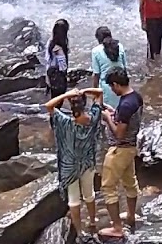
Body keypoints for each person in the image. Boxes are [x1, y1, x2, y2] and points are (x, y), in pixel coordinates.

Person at [45, 87, 105, 239]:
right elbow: (99, 93)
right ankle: (92, 222)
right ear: (85, 105)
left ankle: (78, 232)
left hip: (69, 165)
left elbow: (49, 106)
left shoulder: (65, 122)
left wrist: (66, 95)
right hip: (87, 162)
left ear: (71, 107)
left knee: (74, 199)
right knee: (89, 194)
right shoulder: (93, 118)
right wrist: (84, 90)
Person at [100, 69, 142, 238]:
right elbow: (127, 120)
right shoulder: (135, 97)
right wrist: (112, 111)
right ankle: (130, 216)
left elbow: (119, 133)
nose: (112, 90)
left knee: (108, 187)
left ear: (116, 84)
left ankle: (117, 228)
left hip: (121, 149)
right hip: (131, 147)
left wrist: (107, 118)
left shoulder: (125, 105)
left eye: (112, 86)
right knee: (129, 182)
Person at [90, 27, 129, 110]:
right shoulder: (120, 46)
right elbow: (124, 68)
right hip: (121, 85)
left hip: (107, 87)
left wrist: (95, 93)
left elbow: (96, 75)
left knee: (108, 112)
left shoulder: (96, 51)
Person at [46, 19, 70, 100]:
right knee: (58, 101)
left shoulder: (50, 43)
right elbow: (63, 67)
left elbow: (47, 61)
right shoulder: (59, 48)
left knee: (53, 99)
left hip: (51, 75)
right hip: (59, 78)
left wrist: (47, 78)